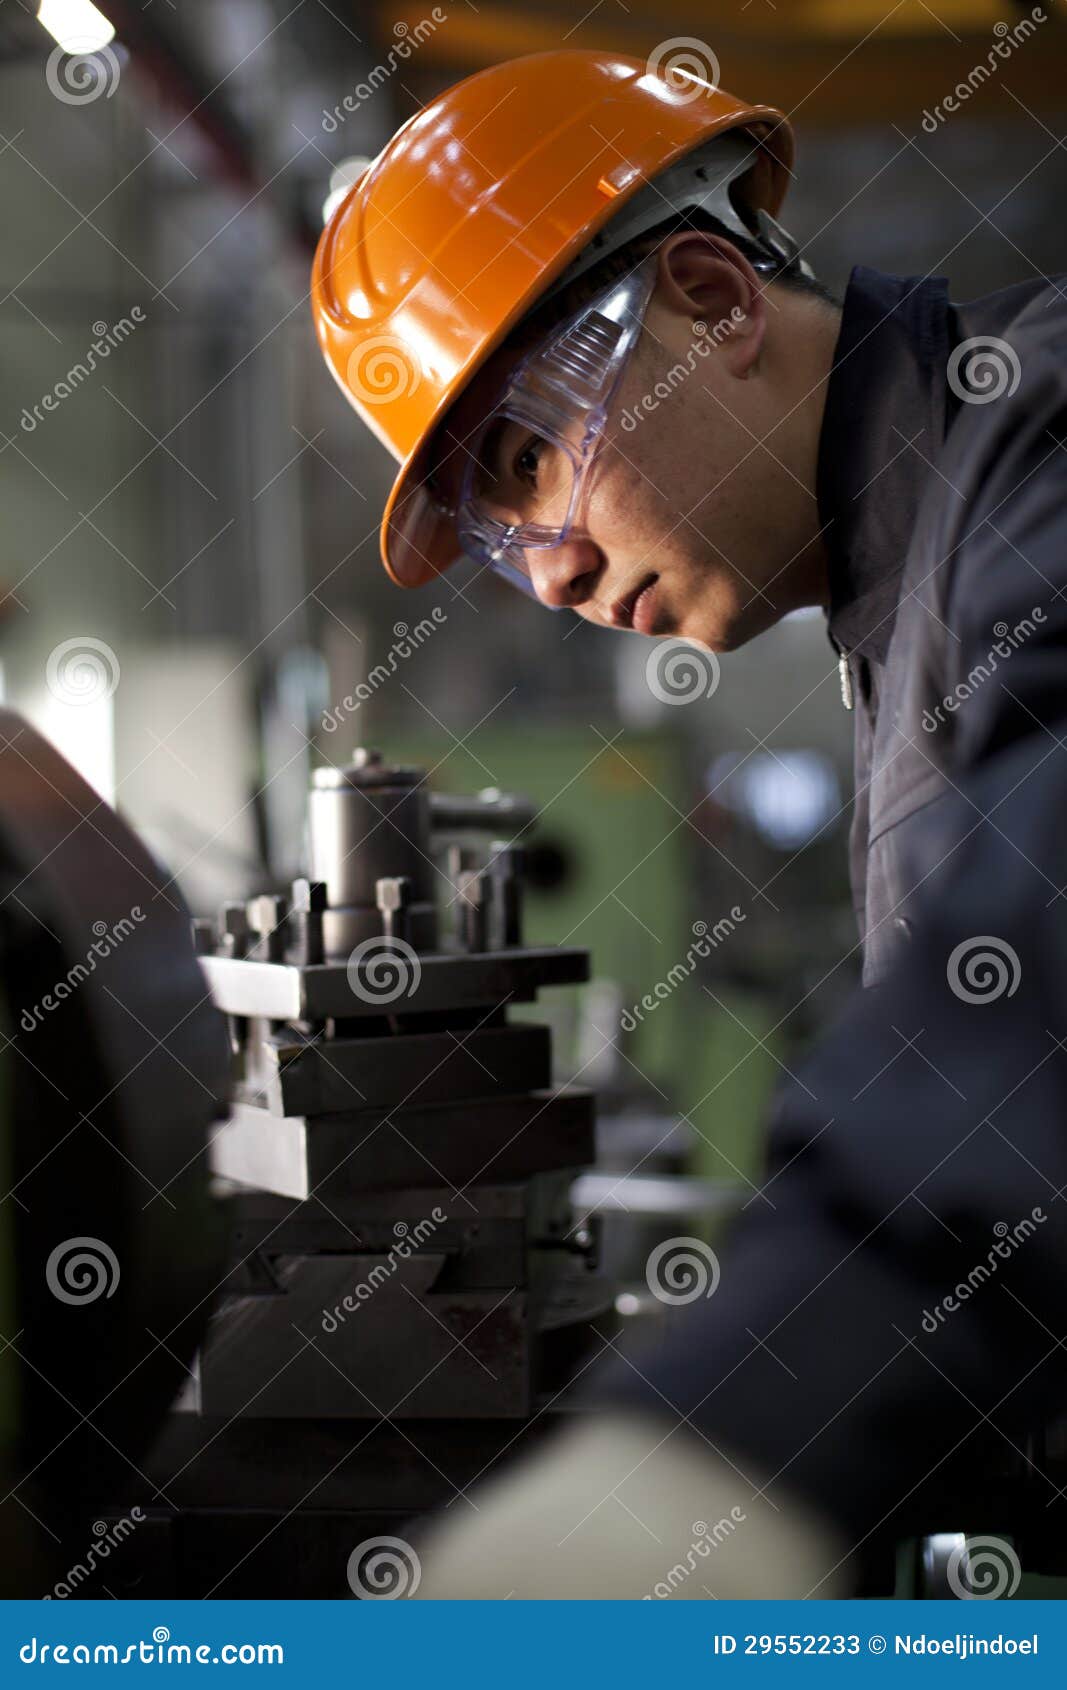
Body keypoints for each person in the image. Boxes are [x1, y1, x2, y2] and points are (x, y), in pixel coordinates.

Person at [311, 49, 1067, 1598]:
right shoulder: (898, 598)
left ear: (715, 298)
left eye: (531, 464)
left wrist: (736, 1431)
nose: (553, 575)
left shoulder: (1040, 434)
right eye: (492, 542)